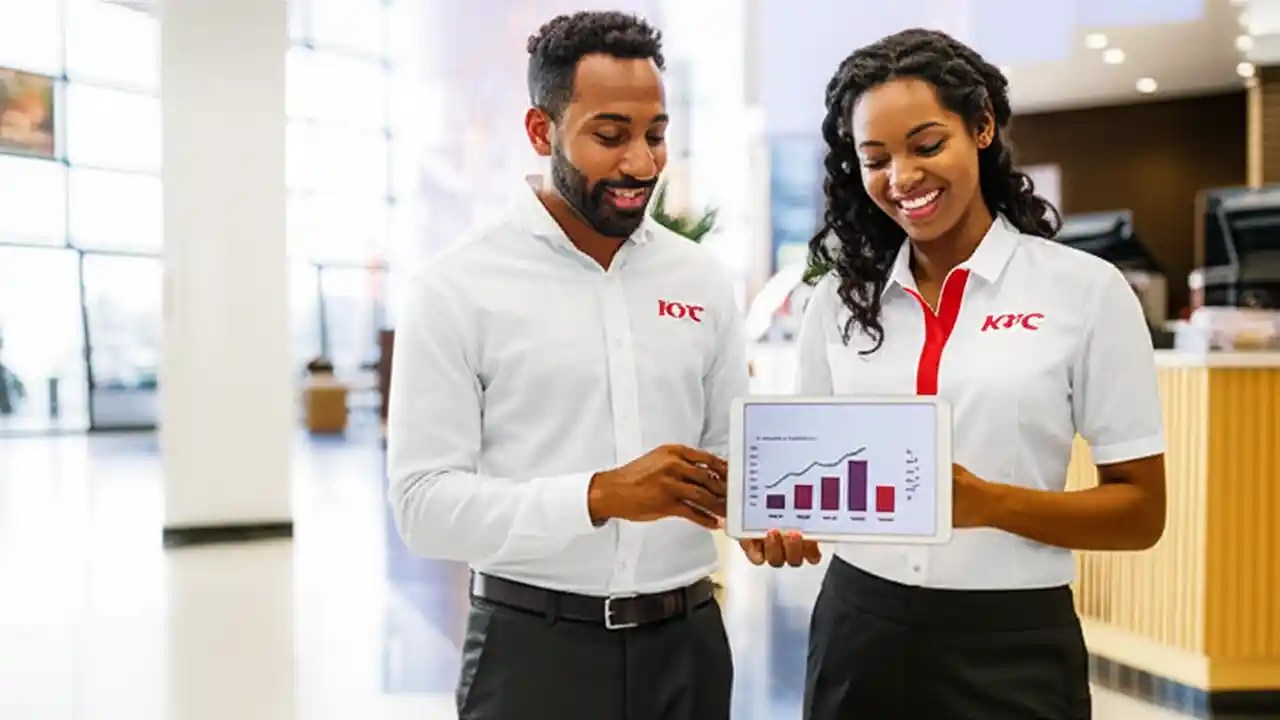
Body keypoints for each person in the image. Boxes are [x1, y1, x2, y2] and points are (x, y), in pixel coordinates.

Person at [740, 28, 1167, 720]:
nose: (901, 178)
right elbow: (815, 485)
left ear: (982, 127)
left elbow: (1141, 511)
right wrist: (781, 524)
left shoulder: (1084, 291)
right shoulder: (838, 301)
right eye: (874, 158)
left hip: (1011, 645)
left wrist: (987, 503)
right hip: (858, 629)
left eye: (926, 144)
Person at [386, 11, 746, 720]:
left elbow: (733, 453)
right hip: (531, 656)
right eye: (610, 136)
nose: (641, 163)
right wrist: (598, 495)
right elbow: (423, 507)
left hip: (689, 649)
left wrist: (768, 512)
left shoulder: (702, 280)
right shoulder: (455, 286)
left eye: (655, 135)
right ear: (540, 130)